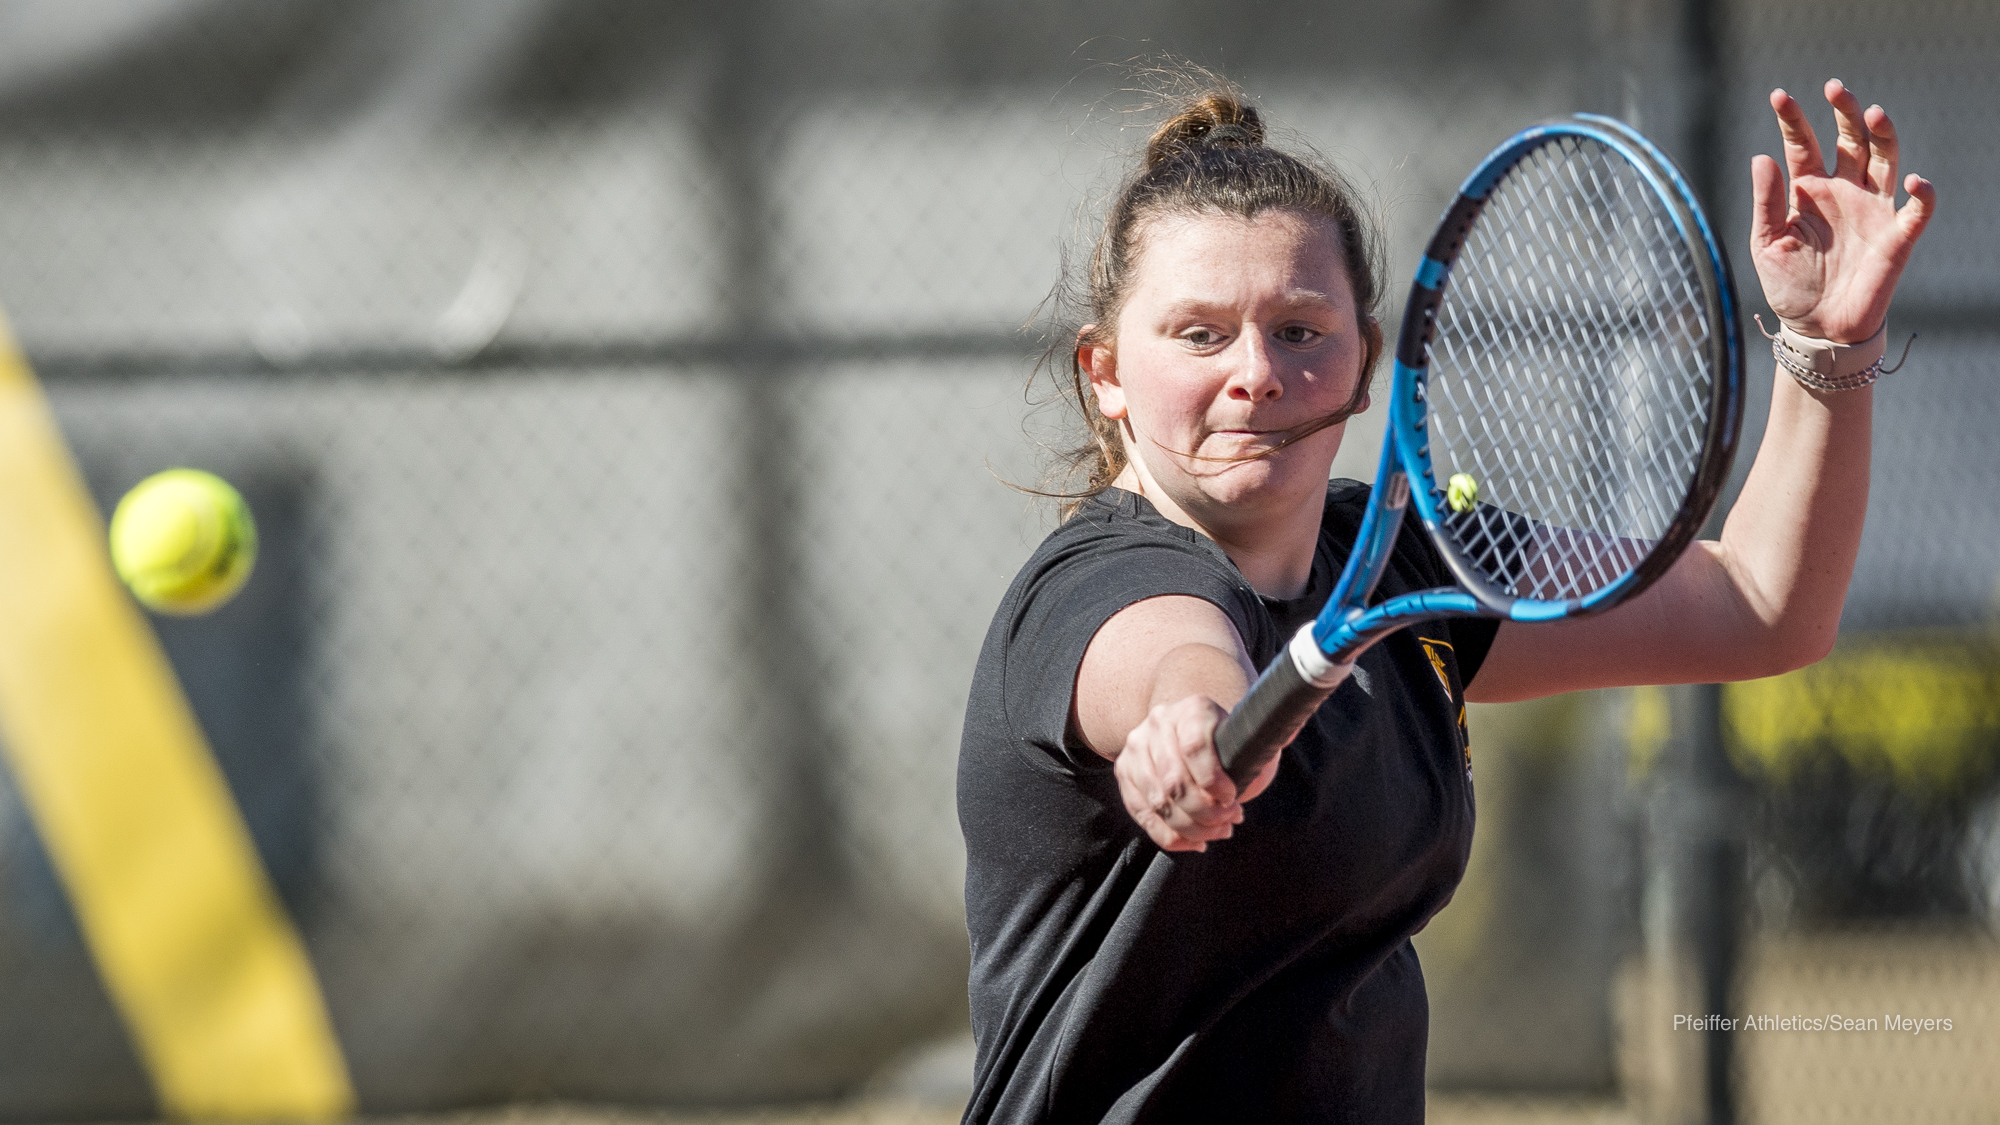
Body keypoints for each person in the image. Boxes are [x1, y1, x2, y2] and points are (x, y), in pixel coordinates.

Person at [957, 76, 1934, 1125]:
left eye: (1299, 329)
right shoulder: (1099, 582)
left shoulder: (1403, 560)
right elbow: (1176, 659)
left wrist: (1828, 345)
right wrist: (1188, 729)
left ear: (1365, 363)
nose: (1256, 373)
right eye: (1198, 334)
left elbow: (1759, 606)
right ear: (1106, 373)